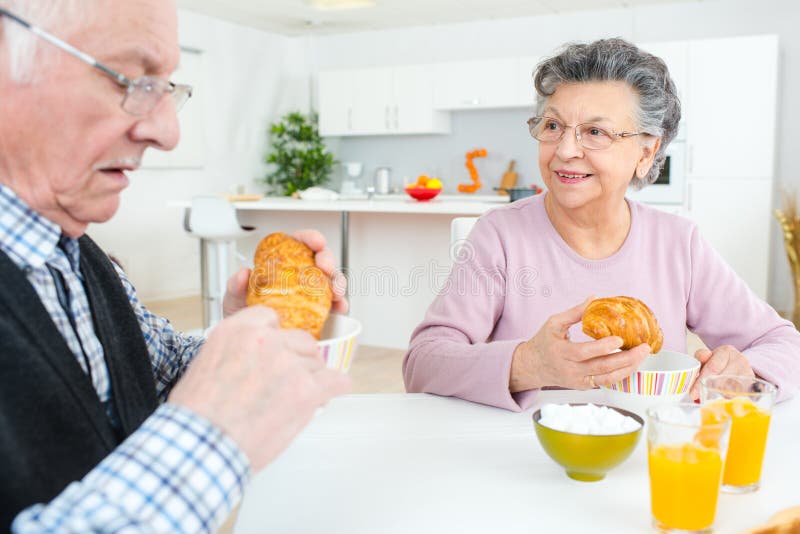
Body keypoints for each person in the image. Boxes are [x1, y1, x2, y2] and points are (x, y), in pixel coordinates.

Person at [0, 1, 351, 531]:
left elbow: (159, 370)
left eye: (166, 89)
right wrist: (209, 437)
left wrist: (251, 336)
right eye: (130, 78)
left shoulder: (79, 257)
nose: (168, 133)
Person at [404, 38, 800, 412]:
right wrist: (526, 364)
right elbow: (423, 363)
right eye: (553, 126)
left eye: (595, 132)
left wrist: (747, 372)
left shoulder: (679, 243)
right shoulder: (501, 235)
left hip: (645, 460)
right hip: (526, 459)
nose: (565, 150)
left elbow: (783, 343)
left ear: (647, 152)